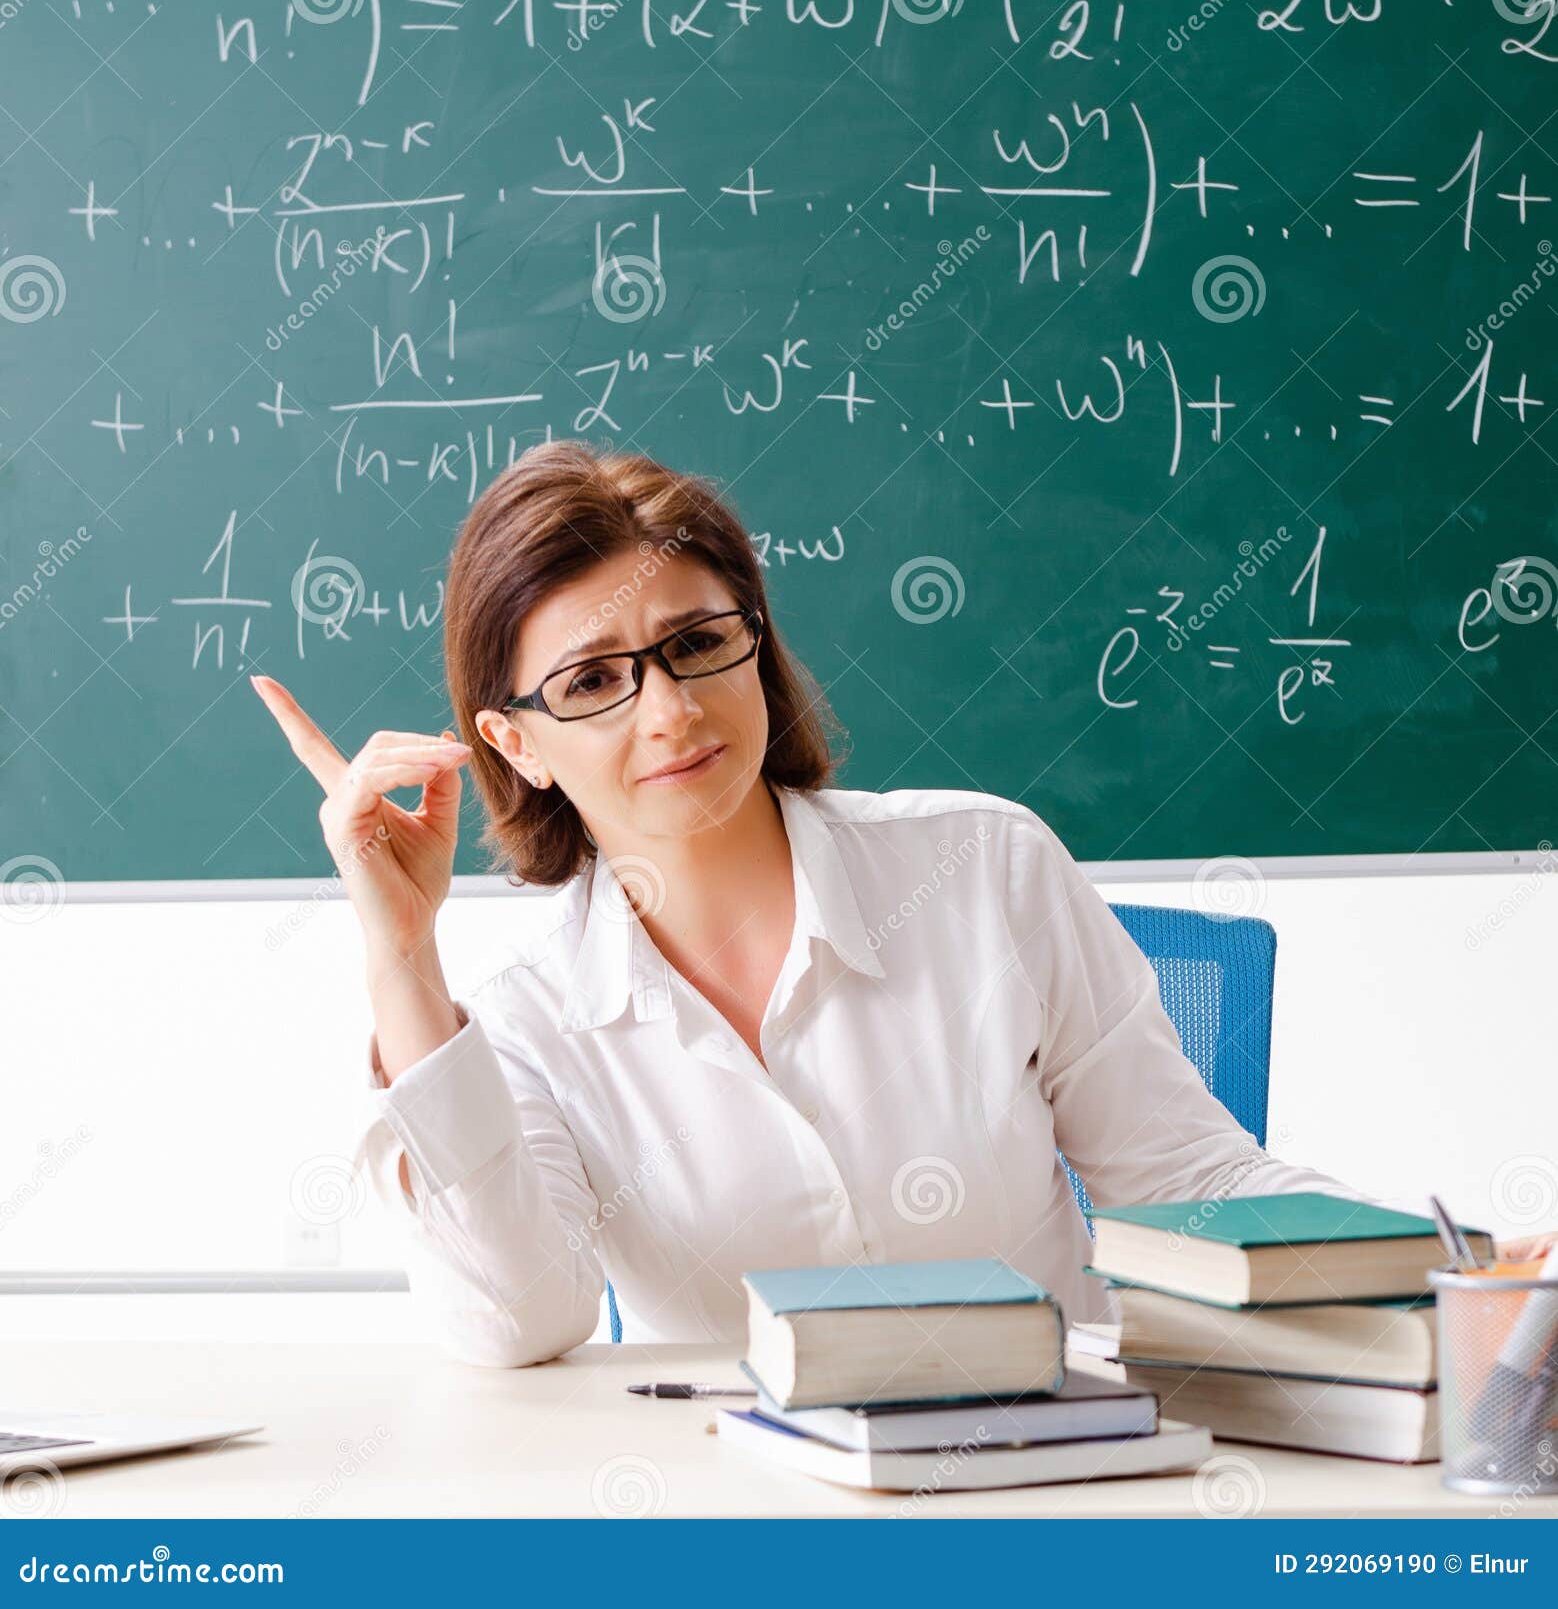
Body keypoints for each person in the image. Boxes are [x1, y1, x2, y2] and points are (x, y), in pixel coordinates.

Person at [253, 440, 1555, 1368]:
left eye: (698, 642)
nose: (669, 709)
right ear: (514, 742)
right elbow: (516, 1321)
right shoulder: (529, 1016)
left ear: (753, 636)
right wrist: (402, 957)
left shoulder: (984, 867)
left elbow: (1187, 1176)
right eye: (593, 679)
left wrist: (1467, 1269)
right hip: (743, 1529)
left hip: (1053, 1489)